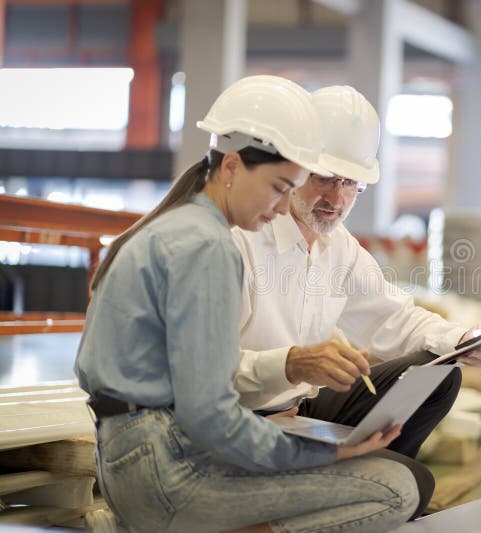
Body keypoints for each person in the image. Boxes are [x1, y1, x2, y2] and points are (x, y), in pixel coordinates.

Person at [74, 76, 421, 533]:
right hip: (165, 469)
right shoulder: (211, 246)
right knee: (397, 488)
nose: (281, 209)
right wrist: (327, 453)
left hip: (131, 455)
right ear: (233, 167)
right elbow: (212, 417)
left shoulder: (177, 228)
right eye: (280, 188)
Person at [232, 85, 481, 516]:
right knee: (415, 484)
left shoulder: (337, 247)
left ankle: (365, 486)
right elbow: (205, 376)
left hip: (299, 411)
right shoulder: (243, 241)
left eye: (350, 183)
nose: (337, 200)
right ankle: (368, 492)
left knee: (439, 373)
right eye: (326, 179)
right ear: (295, 167)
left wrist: (463, 337)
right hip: (243, 423)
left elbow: (392, 320)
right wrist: (291, 362)